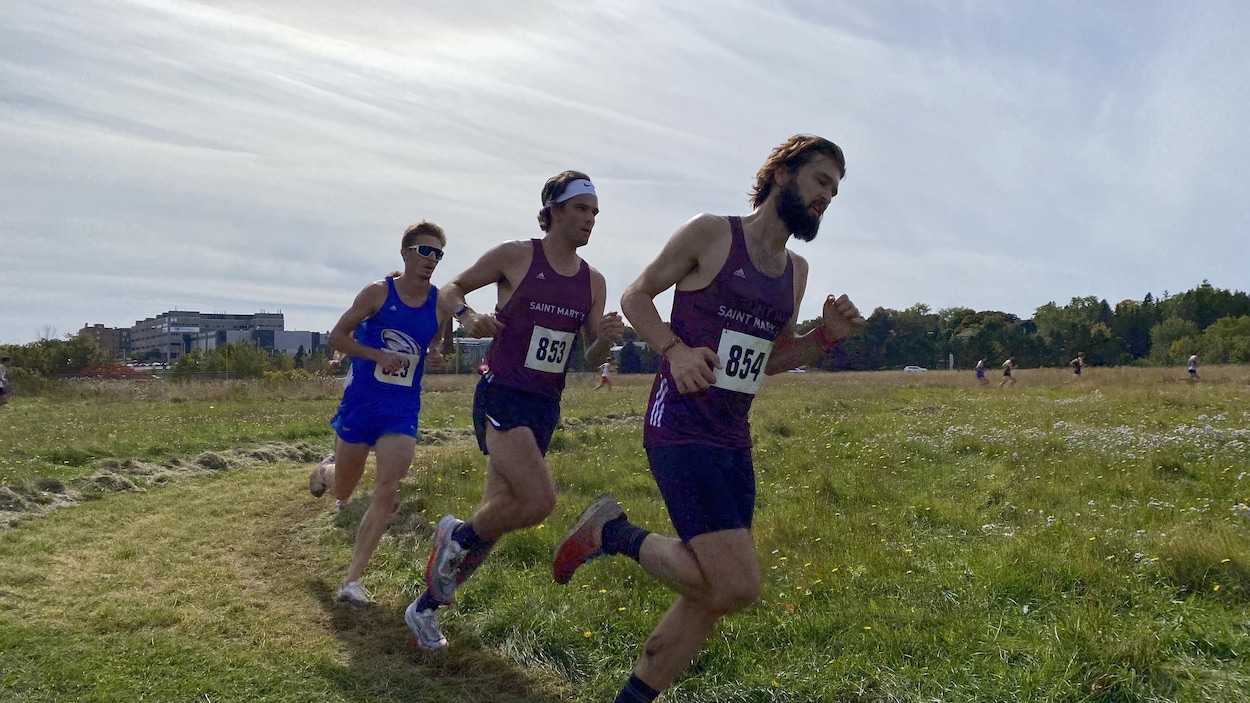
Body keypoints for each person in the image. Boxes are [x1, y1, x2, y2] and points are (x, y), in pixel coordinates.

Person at [553, 134, 864, 703]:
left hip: (731, 437)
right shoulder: (713, 233)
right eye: (821, 181)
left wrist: (824, 338)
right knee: (737, 585)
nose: (827, 197)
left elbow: (770, 358)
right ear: (781, 175)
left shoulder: (796, 271)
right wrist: (674, 350)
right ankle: (611, 532)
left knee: (708, 596)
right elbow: (636, 295)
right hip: (679, 425)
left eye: (835, 191)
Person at [404, 171, 625, 651]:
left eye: (595, 213)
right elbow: (450, 290)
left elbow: (589, 356)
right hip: (502, 391)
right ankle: (453, 534)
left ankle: (425, 609)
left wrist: (605, 340)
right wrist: (469, 317)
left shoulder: (594, 282)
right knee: (539, 500)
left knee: (497, 520)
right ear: (554, 209)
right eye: (581, 209)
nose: (590, 220)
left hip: (546, 403)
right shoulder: (516, 256)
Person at [307, 221, 449, 608]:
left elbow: (438, 342)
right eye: (424, 251)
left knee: (388, 488)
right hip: (362, 402)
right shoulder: (377, 293)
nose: (431, 260)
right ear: (404, 254)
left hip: (401, 408)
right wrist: (375, 356)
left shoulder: (440, 303)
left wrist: (435, 354)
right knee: (345, 490)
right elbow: (337, 338)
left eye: (437, 254)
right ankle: (325, 470)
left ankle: (352, 582)